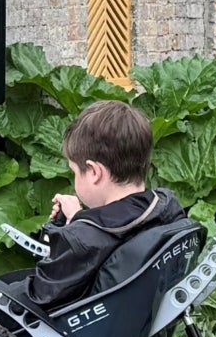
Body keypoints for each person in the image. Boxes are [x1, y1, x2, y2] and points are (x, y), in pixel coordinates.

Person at [21, 98, 182, 312]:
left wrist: (70, 234)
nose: (74, 178)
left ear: (95, 172)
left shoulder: (83, 241)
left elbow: (39, 296)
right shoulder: (167, 207)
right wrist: (79, 219)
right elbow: (112, 229)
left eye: (75, 172)